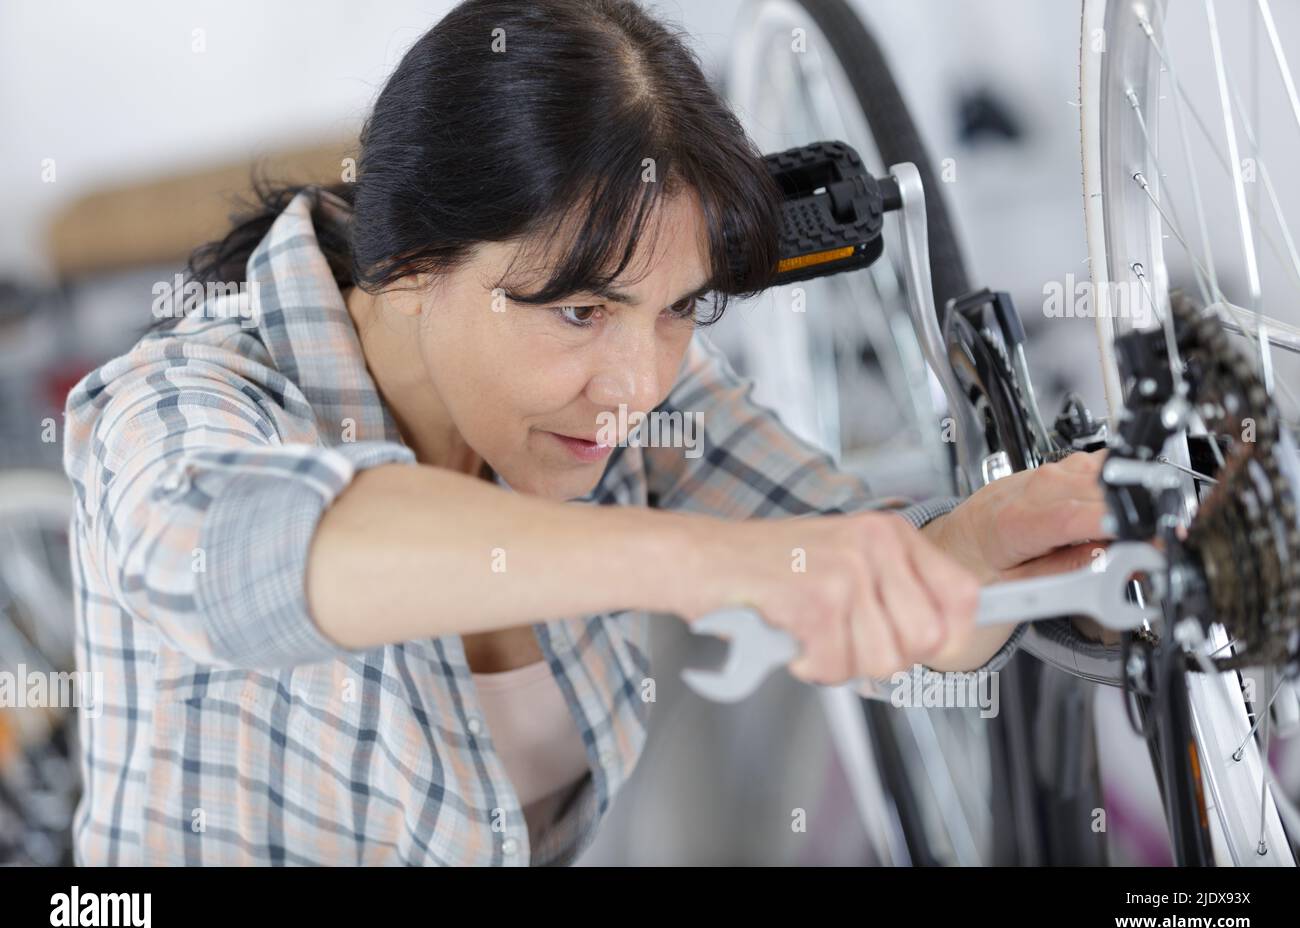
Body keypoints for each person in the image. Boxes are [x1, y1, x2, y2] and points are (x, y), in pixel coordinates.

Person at [62, 0, 1108, 865]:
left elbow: (867, 590)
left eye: (680, 309)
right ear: (417, 262)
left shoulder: (630, 396)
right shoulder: (175, 404)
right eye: (579, 311)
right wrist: (697, 563)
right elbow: (257, 555)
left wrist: (982, 549)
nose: (636, 384)